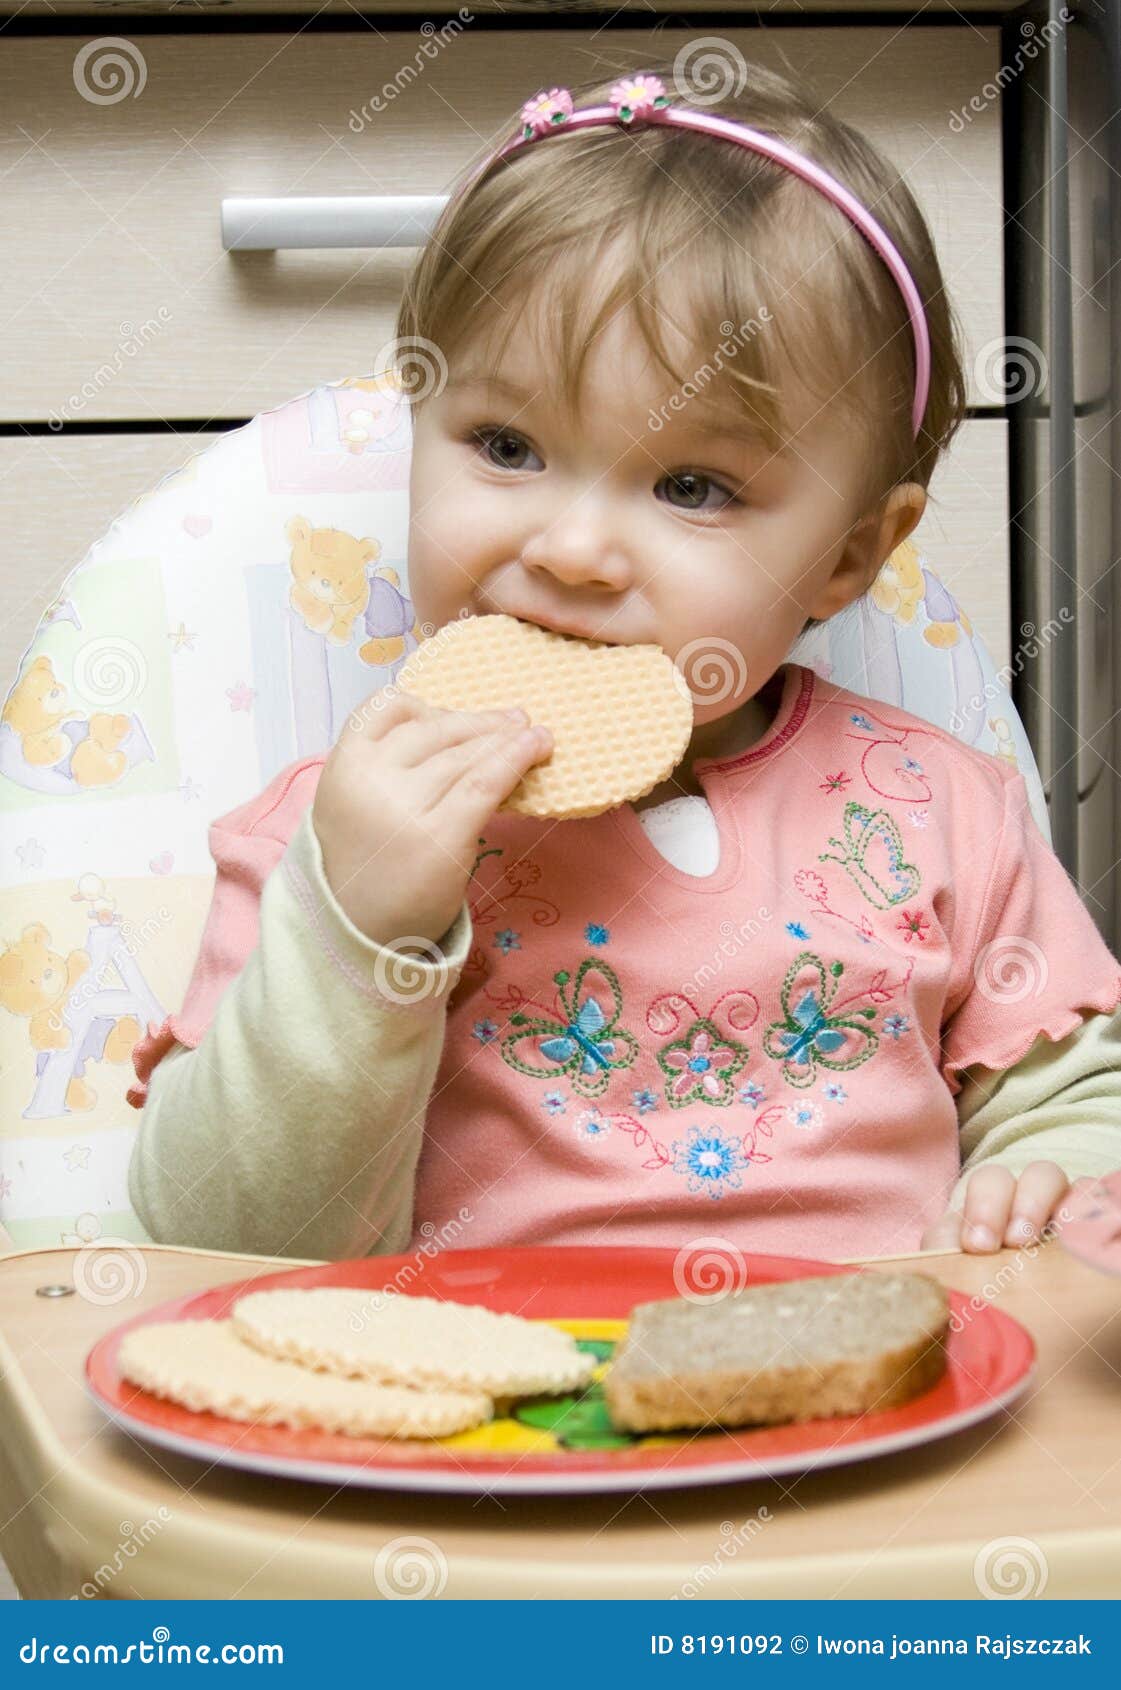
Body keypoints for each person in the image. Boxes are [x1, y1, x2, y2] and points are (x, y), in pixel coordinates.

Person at [127, 65, 1121, 1265]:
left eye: (690, 486)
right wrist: (362, 931)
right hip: (487, 1436)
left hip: (882, 1418)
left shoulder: (943, 814)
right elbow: (216, 1246)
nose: (574, 548)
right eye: (505, 445)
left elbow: (1075, 1108)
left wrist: (1040, 1184)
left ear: (850, 554)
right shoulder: (331, 844)